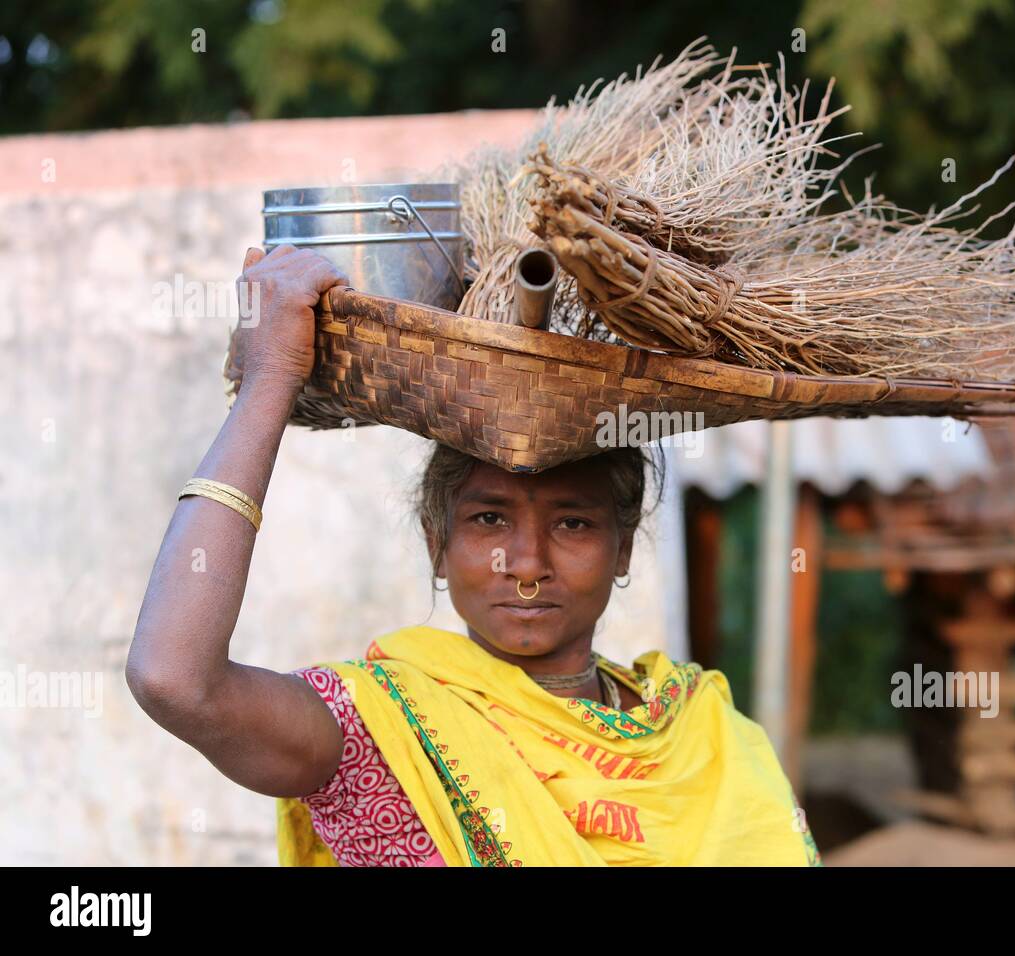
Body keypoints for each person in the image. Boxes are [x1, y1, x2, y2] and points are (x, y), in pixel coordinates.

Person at [126, 244, 821, 866]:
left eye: (573, 524)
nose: (524, 564)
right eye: (489, 519)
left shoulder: (700, 736)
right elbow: (174, 679)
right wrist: (268, 381)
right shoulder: (381, 733)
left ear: (623, 546)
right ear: (438, 544)